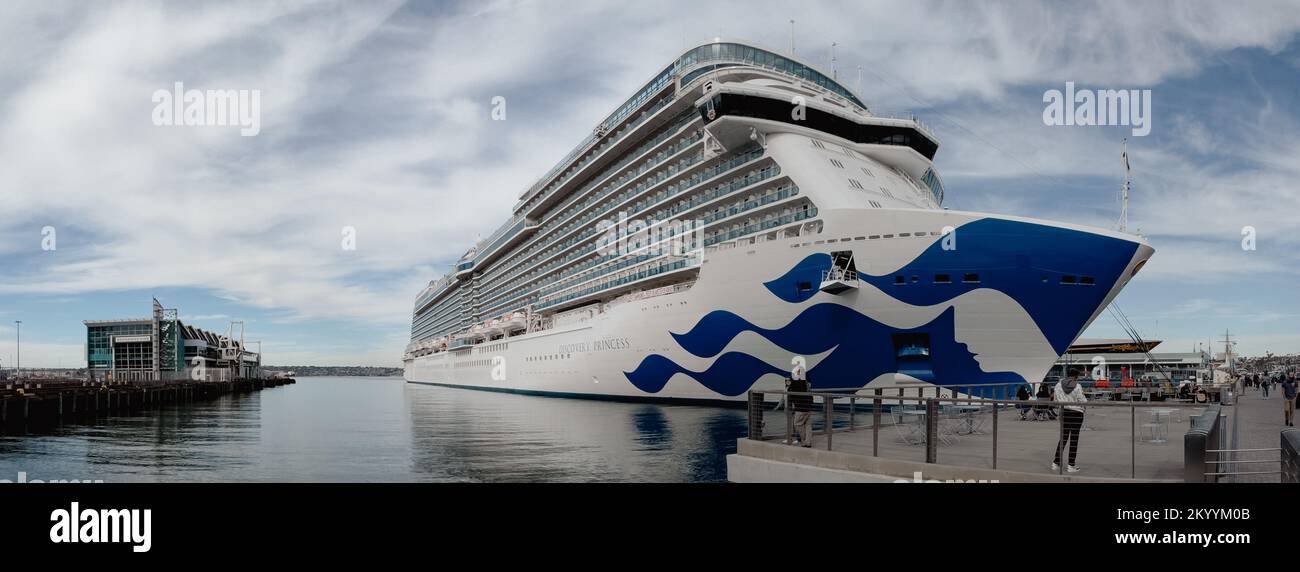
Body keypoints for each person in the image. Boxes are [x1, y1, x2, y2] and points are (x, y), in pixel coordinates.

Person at [1052, 368, 1088, 473]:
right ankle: (1071, 465)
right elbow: (1082, 400)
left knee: (1063, 438)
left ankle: (1056, 462)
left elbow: (1055, 400)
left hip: (1064, 412)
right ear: (1076, 376)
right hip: (1076, 414)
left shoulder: (1058, 385)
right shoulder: (1077, 386)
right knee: (1074, 439)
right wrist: (1084, 407)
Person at [787, 364, 813, 447]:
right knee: (808, 425)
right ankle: (808, 442)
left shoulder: (795, 380)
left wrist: (788, 385)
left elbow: (789, 391)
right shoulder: (806, 380)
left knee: (797, 424)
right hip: (809, 404)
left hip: (800, 406)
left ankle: (804, 440)